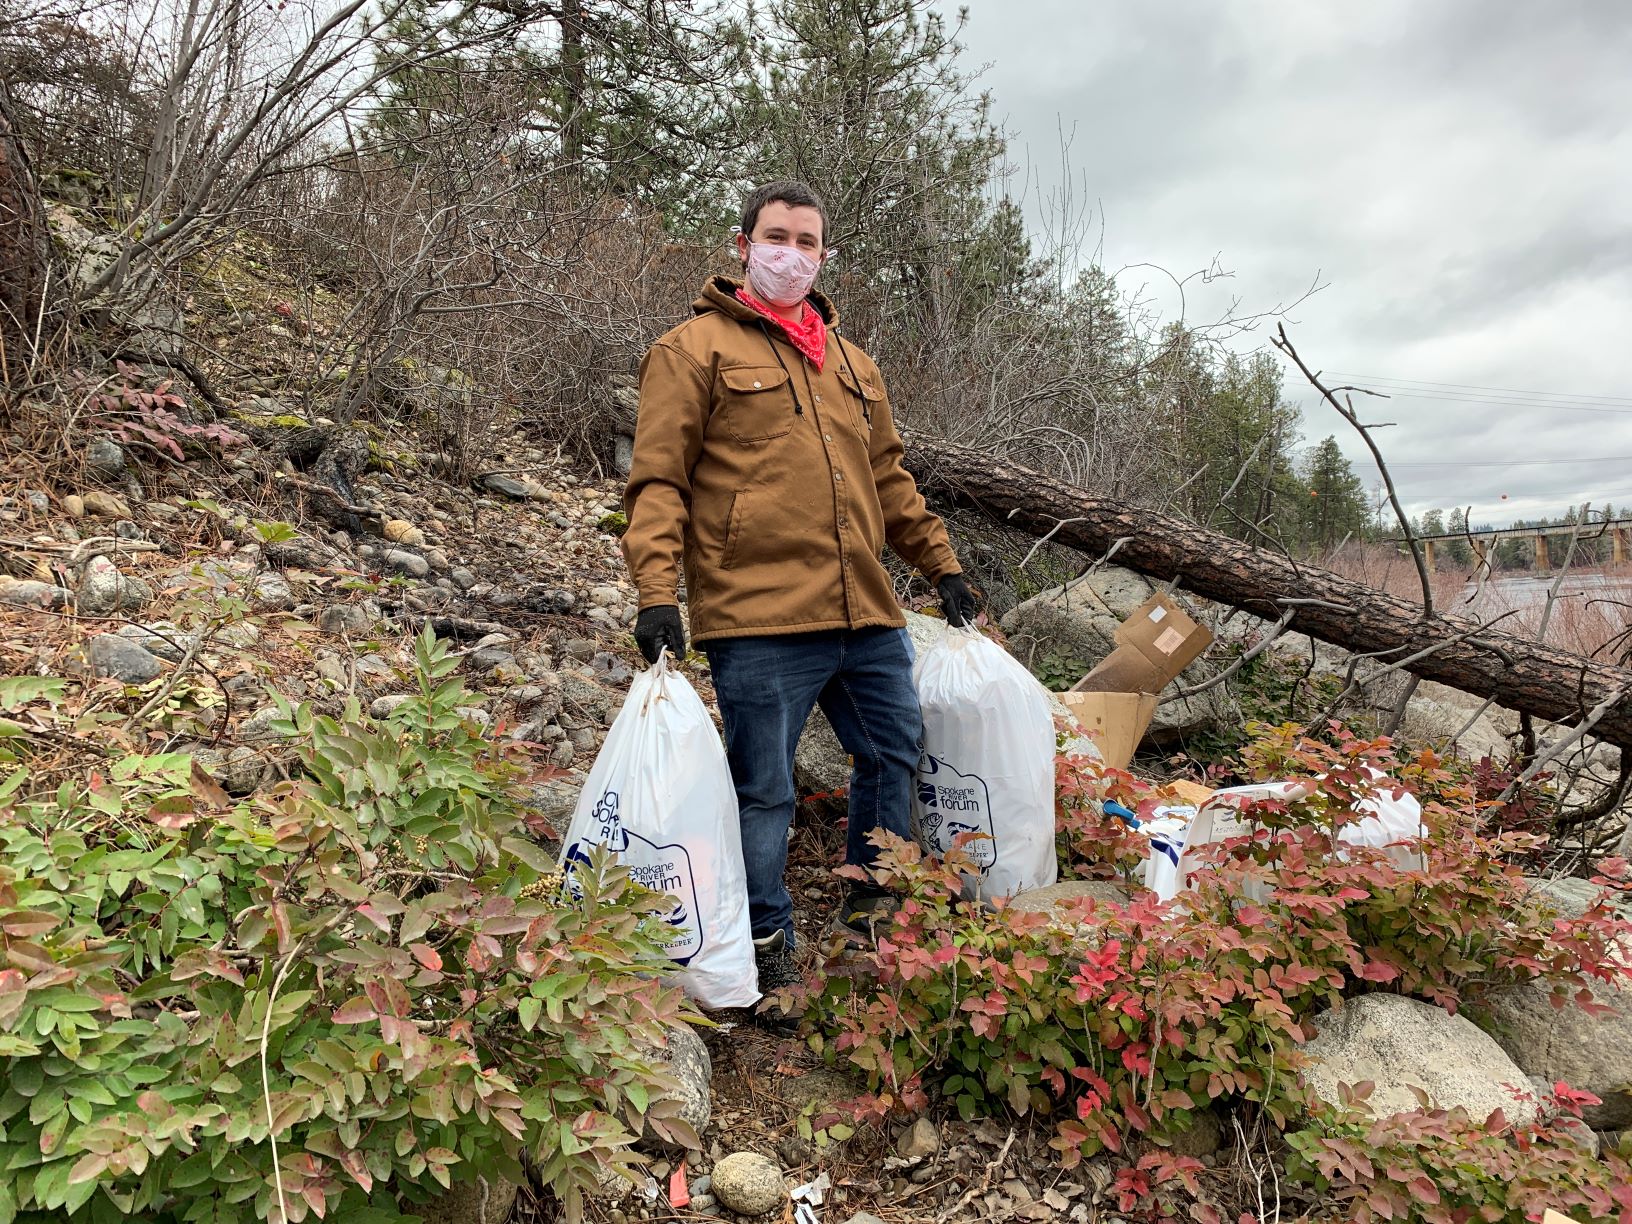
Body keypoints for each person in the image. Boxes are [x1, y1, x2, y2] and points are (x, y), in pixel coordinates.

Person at [620, 180, 978, 1024]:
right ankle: (767, 938)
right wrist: (655, 592)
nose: (791, 253)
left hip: (867, 612)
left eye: (807, 242)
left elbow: (890, 479)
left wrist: (943, 567)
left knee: (895, 755)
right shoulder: (691, 349)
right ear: (742, 246)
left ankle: (874, 912)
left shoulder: (853, 364)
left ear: (824, 257)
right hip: (759, 614)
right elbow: (659, 481)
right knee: (764, 788)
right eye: (775, 236)